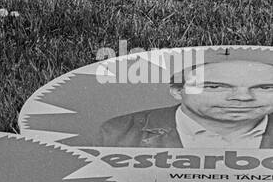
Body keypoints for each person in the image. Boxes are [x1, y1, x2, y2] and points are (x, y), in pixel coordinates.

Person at [100, 58, 273, 148]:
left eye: (265, 88)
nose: (243, 98)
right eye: (214, 87)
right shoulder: (118, 131)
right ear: (177, 91)